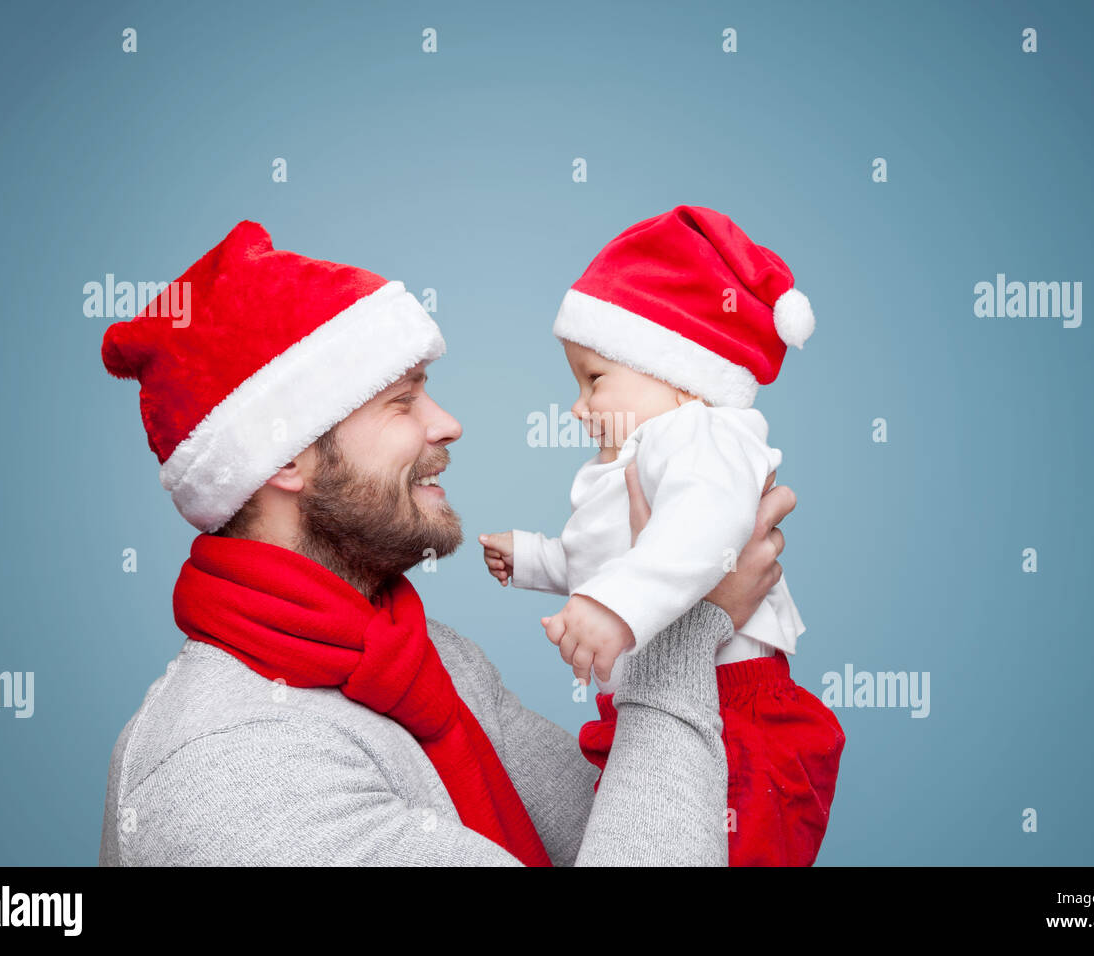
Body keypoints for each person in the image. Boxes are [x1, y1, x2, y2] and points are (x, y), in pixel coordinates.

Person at [95, 219, 795, 866]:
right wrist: (684, 622)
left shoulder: (428, 654)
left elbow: (627, 829)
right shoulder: (231, 772)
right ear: (282, 457)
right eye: (402, 401)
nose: (449, 423)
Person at [480, 206, 845, 865]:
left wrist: (614, 609)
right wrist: (534, 557)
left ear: (681, 380)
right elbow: (597, 561)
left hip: (735, 705)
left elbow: (704, 531)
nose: (577, 406)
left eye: (595, 380)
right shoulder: (629, 464)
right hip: (658, 690)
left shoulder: (700, 435)